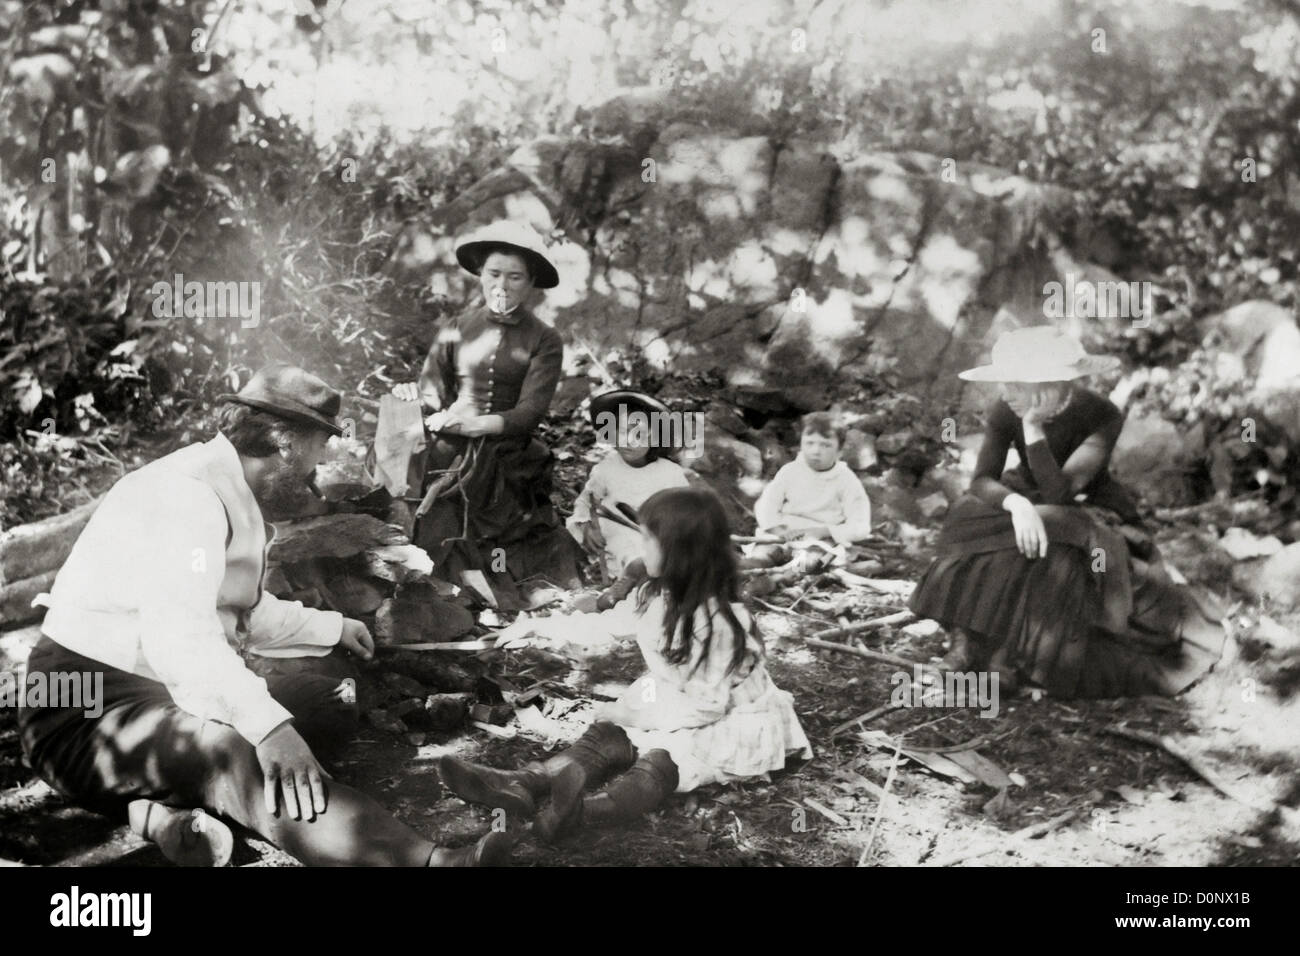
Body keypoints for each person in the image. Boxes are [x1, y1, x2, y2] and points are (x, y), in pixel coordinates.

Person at [19, 364, 510, 866]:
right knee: (238, 747)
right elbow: (183, 642)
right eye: (320, 444)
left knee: (324, 702)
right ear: (283, 440)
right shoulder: (185, 495)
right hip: (80, 708)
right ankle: (427, 861)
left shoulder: (231, 486)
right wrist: (269, 731)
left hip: (154, 691)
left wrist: (332, 627)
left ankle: (155, 811)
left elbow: (240, 610)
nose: (320, 462)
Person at [437, 486, 812, 850]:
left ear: (682, 552)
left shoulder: (718, 622)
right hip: (677, 696)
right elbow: (610, 625)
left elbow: (707, 706)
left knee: (661, 760)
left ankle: (583, 811)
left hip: (725, 716)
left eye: (648, 540)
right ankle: (523, 783)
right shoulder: (659, 592)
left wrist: (634, 711)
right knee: (607, 733)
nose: (639, 548)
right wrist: (538, 627)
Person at [908, 327, 1225, 698]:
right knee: (965, 515)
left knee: (1055, 545)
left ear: (1050, 384)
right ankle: (964, 642)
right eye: (1005, 383)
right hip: (1026, 495)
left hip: (1084, 505)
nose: (1007, 392)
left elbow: (1062, 493)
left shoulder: (1102, 415)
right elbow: (981, 479)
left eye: (1016, 384)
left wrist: (1033, 428)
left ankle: (1008, 660)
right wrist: (1016, 504)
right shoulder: (1005, 408)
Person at [391, 220, 570, 593]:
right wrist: (415, 399)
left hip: (507, 443)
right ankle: (426, 575)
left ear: (531, 281)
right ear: (480, 275)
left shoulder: (545, 339)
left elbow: (529, 413)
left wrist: (472, 426)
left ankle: (483, 582)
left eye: (515, 277)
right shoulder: (457, 326)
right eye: (494, 274)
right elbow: (430, 394)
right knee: (415, 456)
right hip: (452, 432)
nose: (502, 286)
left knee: (489, 477)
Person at [567, 389, 691, 590]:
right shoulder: (606, 469)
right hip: (620, 536)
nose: (627, 441)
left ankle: (651, 578)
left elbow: (686, 511)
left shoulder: (670, 472)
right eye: (621, 432)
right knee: (628, 546)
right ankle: (630, 579)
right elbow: (586, 501)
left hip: (656, 537)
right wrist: (586, 524)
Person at [747, 412, 873, 566]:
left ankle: (788, 578)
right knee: (761, 556)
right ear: (801, 444)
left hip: (819, 540)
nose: (816, 451)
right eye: (809, 443)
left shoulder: (846, 480)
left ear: (839, 451)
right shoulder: (790, 471)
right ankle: (755, 573)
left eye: (825, 445)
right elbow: (766, 505)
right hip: (783, 533)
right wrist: (777, 530)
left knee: (808, 563)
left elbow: (860, 525)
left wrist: (825, 531)